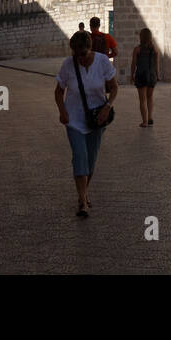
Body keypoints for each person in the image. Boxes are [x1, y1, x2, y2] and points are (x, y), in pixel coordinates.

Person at [54, 33, 118, 217]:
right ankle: (82, 202)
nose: (80, 58)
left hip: (97, 119)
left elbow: (114, 88)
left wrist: (108, 107)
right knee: (80, 156)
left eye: (83, 54)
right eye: (77, 54)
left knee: (90, 161)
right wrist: (62, 111)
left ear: (90, 49)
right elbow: (58, 91)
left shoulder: (102, 61)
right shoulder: (69, 64)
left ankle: (84, 192)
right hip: (73, 119)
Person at [129, 27, 160, 127]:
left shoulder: (137, 49)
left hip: (141, 75)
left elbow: (133, 64)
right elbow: (156, 64)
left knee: (142, 99)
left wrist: (132, 75)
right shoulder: (155, 49)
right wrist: (158, 75)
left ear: (141, 37)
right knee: (150, 97)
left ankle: (145, 121)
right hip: (151, 75)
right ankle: (150, 117)